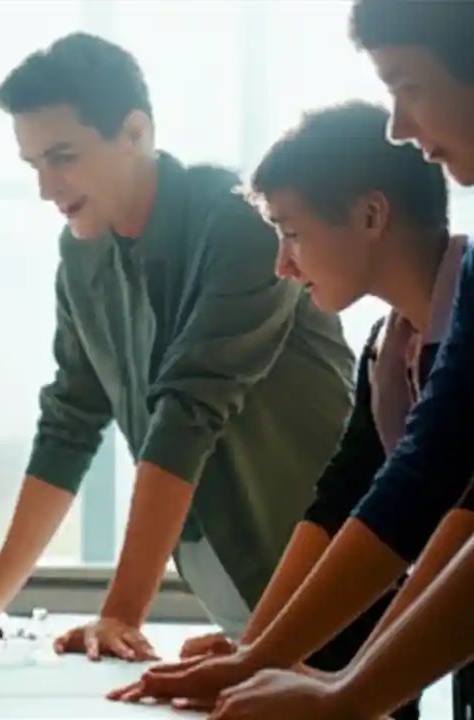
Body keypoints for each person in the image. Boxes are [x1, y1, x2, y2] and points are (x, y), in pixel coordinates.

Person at [0, 32, 355, 660]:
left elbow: (187, 412)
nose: (45, 187)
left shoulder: (241, 221)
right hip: (241, 604)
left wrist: (120, 615)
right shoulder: (80, 257)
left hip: (332, 587)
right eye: (33, 164)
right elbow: (68, 426)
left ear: (136, 132)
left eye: (62, 156)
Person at [142, 2, 474, 718]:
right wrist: (257, 653)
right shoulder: (387, 352)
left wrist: (352, 687)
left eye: (292, 234)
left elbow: (449, 505)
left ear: (371, 215)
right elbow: (357, 494)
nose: (284, 266)